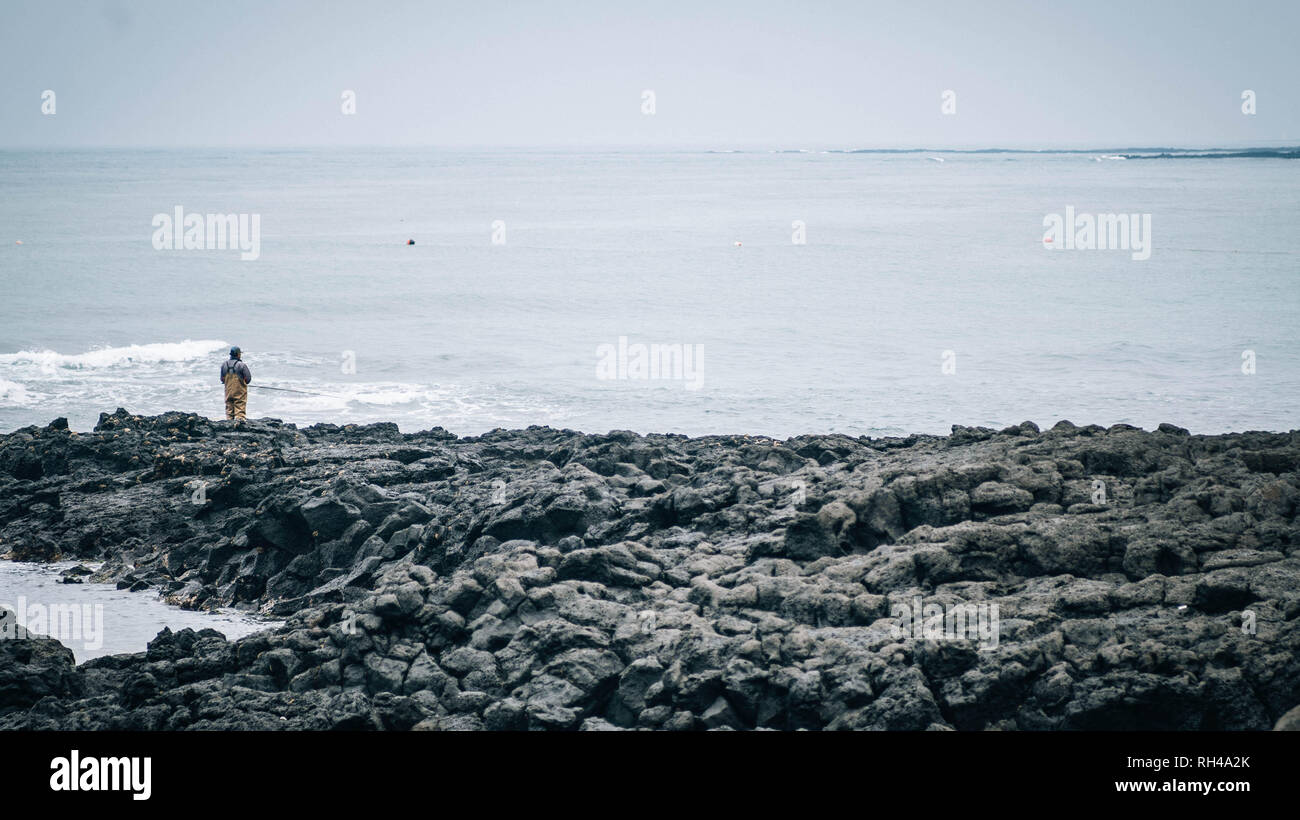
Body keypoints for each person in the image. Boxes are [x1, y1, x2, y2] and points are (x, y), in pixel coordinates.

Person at [220, 346, 252, 421]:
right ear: (238, 354)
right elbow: (248, 379)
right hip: (239, 391)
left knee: (229, 408)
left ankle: (229, 423)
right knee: (240, 407)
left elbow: (222, 379)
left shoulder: (224, 365)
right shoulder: (242, 365)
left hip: (228, 391)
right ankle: (239, 423)